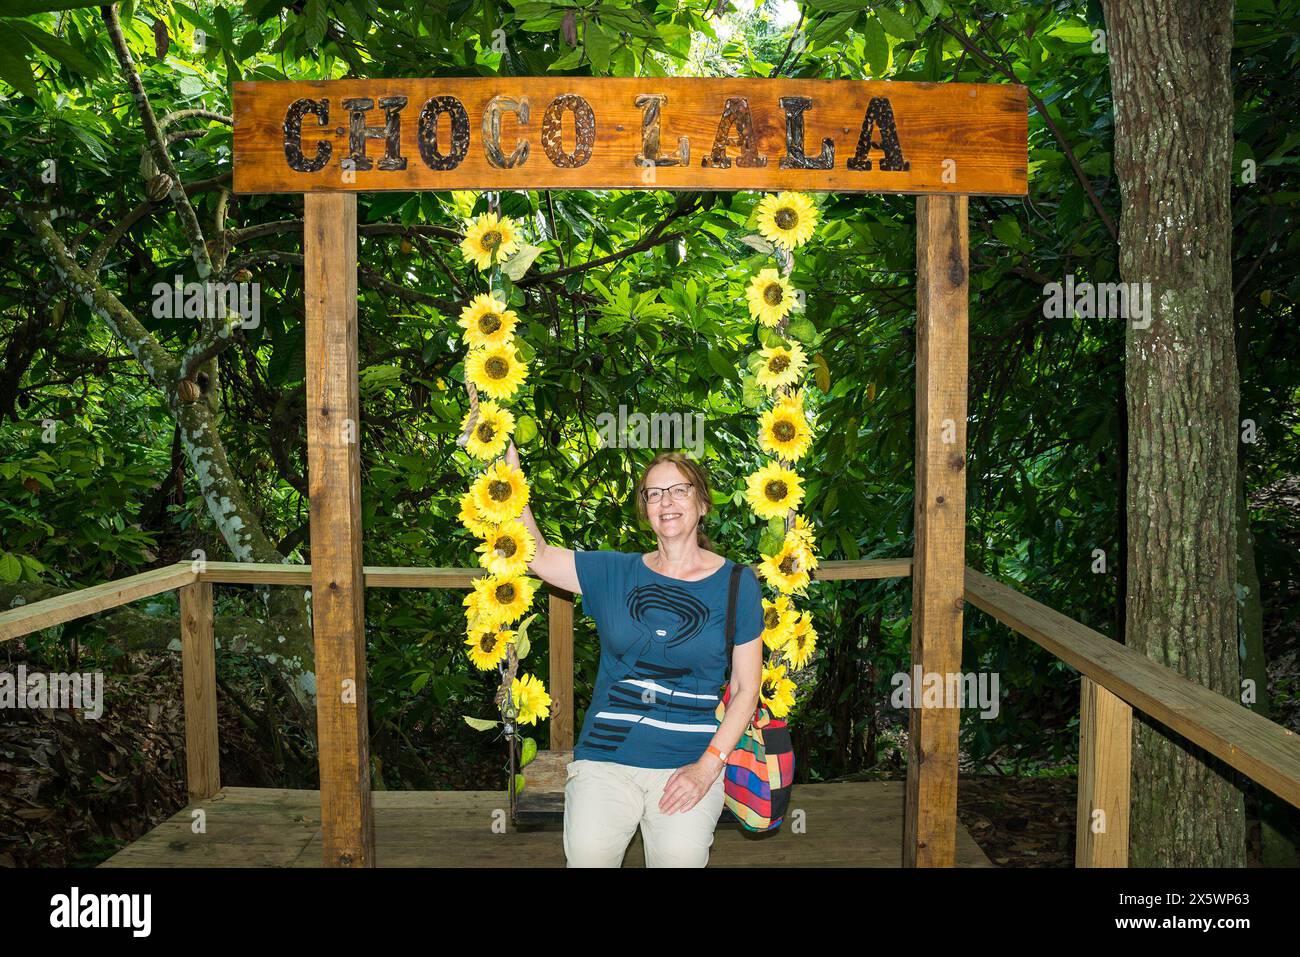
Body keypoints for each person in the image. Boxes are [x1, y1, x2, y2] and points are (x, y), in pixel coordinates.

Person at [504, 440, 764, 867]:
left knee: (680, 857)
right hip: (607, 759)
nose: (667, 502)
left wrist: (706, 768)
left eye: (679, 490)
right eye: (654, 493)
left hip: (691, 760)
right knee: (587, 856)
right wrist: (510, 473)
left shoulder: (737, 583)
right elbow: (538, 555)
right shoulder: (616, 572)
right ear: (645, 509)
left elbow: (745, 688)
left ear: (702, 503)